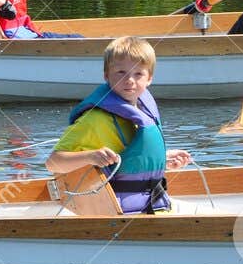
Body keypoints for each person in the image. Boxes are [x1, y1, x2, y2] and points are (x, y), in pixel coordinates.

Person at [45, 36, 193, 214]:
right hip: (117, 212)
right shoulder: (93, 120)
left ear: (150, 78)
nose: (130, 80)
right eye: (121, 72)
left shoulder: (145, 112)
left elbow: (130, 158)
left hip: (155, 205)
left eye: (138, 74)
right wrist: (90, 156)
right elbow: (53, 163)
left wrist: (163, 158)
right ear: (106, 75)